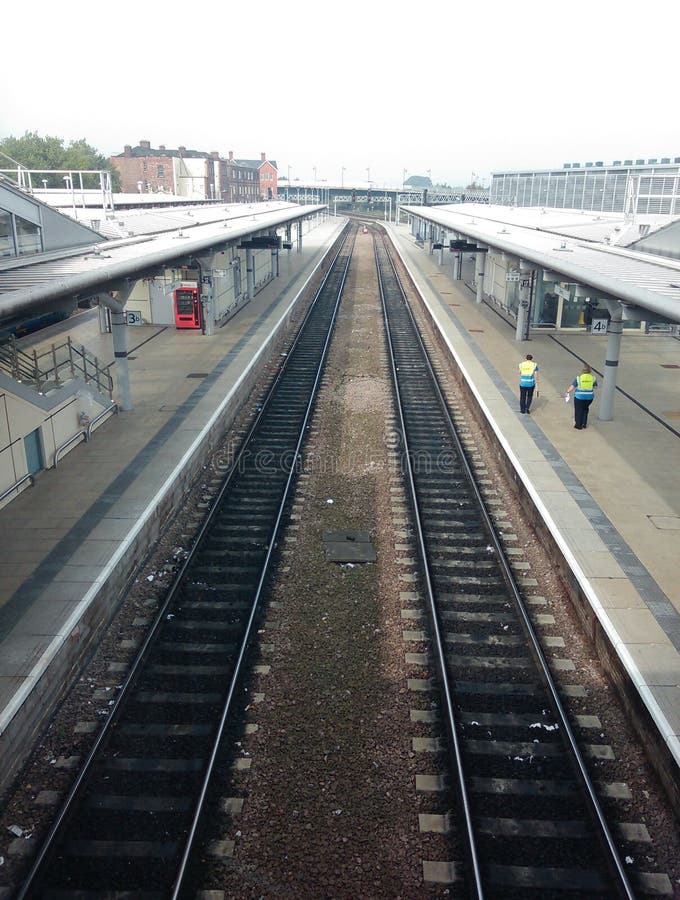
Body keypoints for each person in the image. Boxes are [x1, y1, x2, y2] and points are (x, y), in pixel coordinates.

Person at [565, 363, 598, 429]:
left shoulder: (579, 378)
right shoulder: (593, 378)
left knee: (578, 410)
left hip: (579, 397)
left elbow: (572, 386)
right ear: (590, 371)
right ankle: (584, 423)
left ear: (582, 370)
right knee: (585, 409)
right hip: (589, 397)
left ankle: (578, 425)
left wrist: (567, 392)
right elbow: (595, 387)